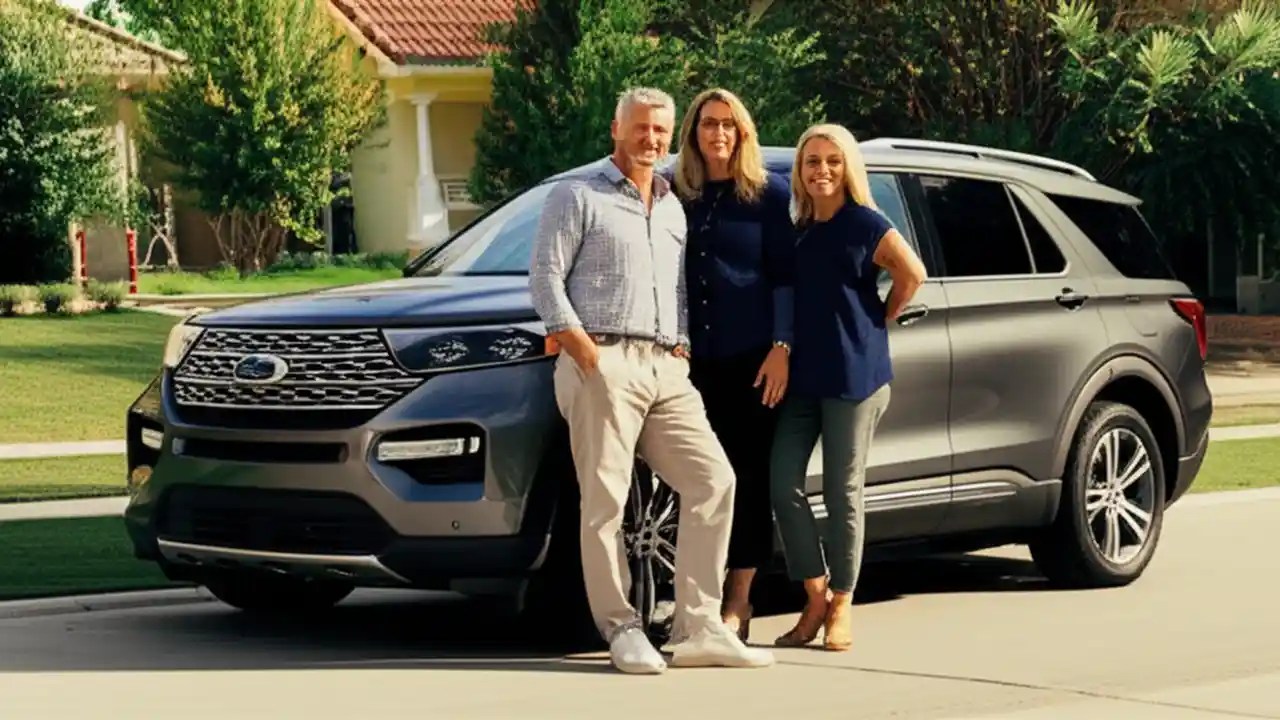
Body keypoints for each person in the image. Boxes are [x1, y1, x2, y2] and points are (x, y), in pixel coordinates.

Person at [528, 86, 775, 674]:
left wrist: (681, 348)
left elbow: (679, 286)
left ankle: (698, 626)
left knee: (714, 481)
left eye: (660, 131)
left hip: (667, 365)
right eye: (640, 128)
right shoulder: (576, 195)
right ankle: (622, 628)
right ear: (617, 129)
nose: (652, 140)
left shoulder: (671, 204)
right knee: (606, 502)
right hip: (603, 361)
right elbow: (545, 279)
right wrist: (588, 355)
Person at [768, 123, 927, 651]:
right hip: (805, 376)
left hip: (854, 376)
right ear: (800, 170)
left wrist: (882, 316)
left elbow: (913, 272)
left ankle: (842, 604)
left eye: (832, 161)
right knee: (782, 483)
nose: (821, 170)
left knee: (842, 492)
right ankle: (814, 593)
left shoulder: (864, 222)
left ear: (847, 167)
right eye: (812, 161)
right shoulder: (799, 226)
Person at [670, 88, 794, 642]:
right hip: (690, 362)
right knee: (699, 480)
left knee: (745, 477)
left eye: (729, 125)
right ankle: (692, 594)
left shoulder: (768, 196)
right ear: (693, 132)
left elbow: (787, 279)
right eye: (708, 124)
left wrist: (781, 347)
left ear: (743, 133)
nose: (718, 134)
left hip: (754, 361)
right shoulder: (676, 195)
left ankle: (738, 600)